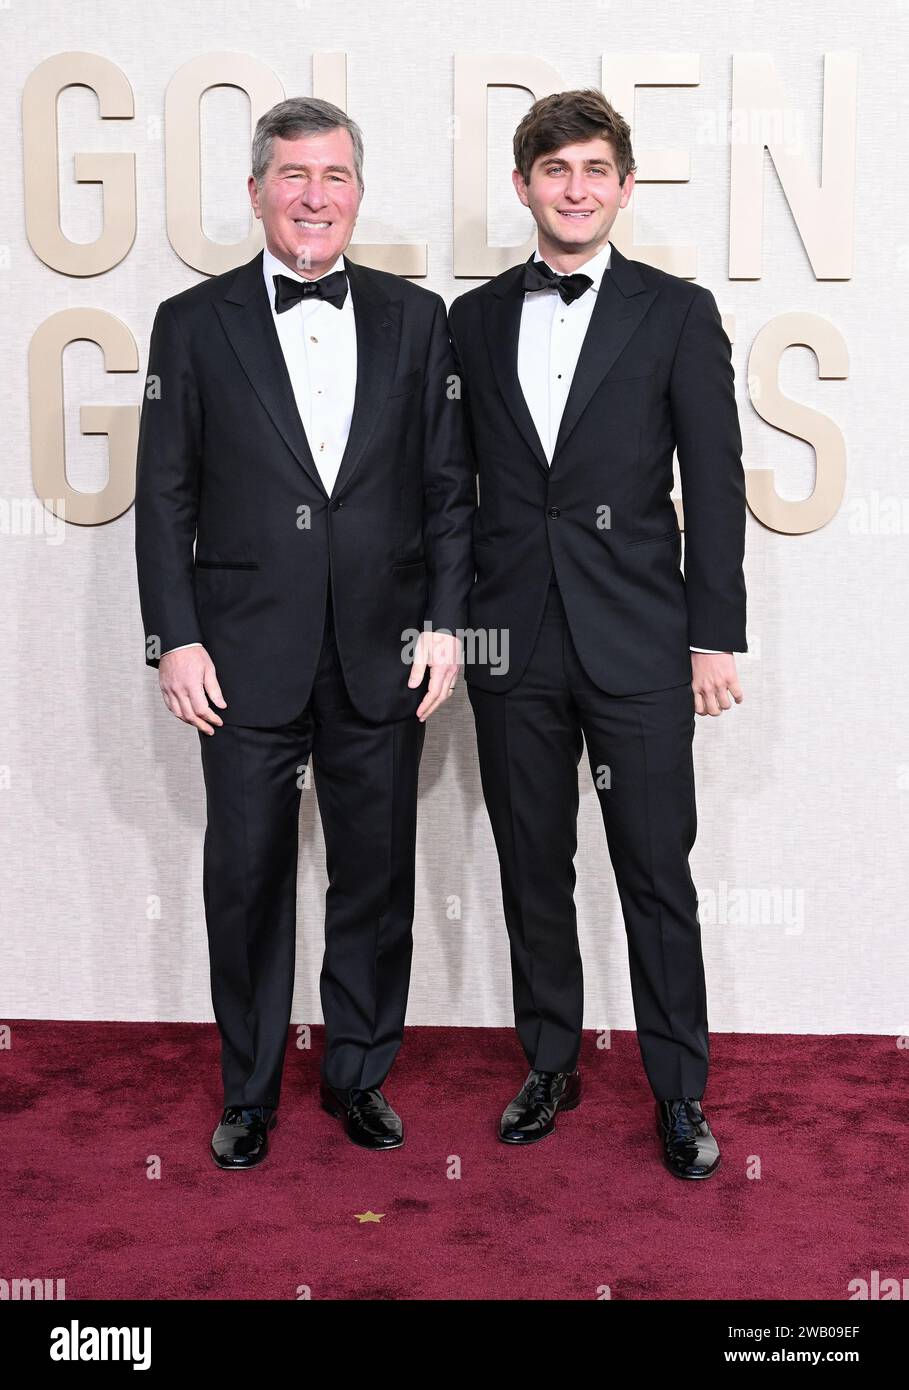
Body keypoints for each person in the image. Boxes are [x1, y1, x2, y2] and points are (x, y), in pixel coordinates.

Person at [135, 97, 474, 1169]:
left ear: (358, 194)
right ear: (256, 194)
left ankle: (358, 1073)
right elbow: (163, 498)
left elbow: (448, 491)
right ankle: (248, 1092)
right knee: (245, 876)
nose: (314, 196)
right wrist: (174, 638)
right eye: (293, 176)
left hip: (383, 647)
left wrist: (449, 624)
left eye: (334, 176)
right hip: (239, 655)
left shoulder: (420, 322)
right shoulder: (192, 325)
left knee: (375, 876)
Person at [448, 88, 747, 1179]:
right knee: (534, 863)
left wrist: (713, 637)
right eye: (554, 169)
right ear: (524, 184)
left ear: (623, 187)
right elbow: (448, 489)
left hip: (639, 640)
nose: (576, 189)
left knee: (656, 870)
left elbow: (714, 485)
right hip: (510, 641)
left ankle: (678, 1088)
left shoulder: (677, 311)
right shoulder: (470, 320)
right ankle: (551, 1060)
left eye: (595, 171)